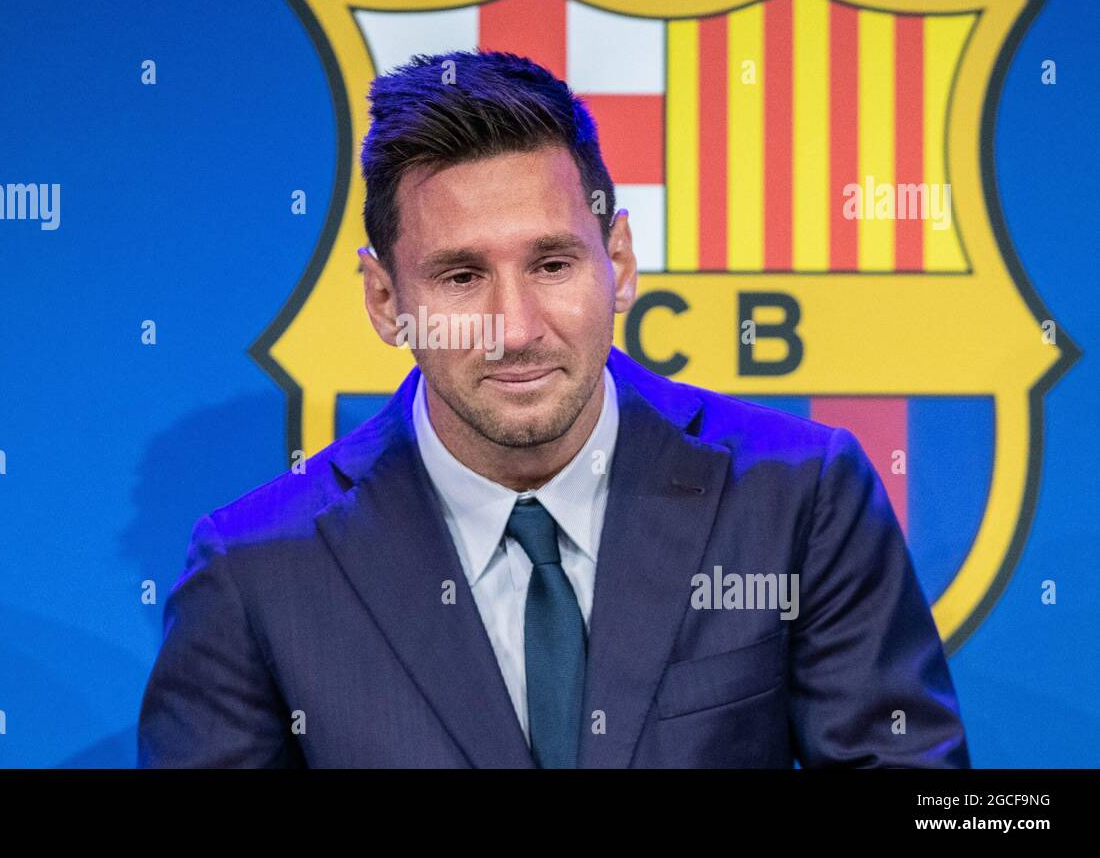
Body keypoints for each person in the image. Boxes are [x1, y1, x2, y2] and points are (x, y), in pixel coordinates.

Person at [137, 49, 970, 768]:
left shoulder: (797, 496)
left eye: (553, 264)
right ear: (386, 299)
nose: (518, 328)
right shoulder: (258, 573)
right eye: (462, 278)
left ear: (621, 261)